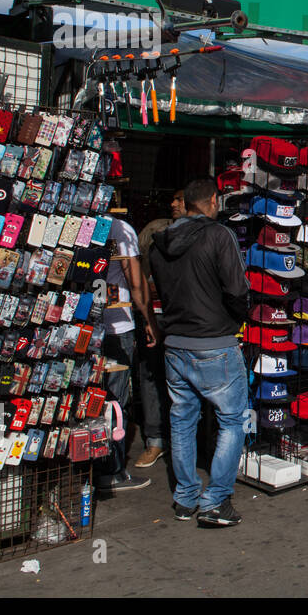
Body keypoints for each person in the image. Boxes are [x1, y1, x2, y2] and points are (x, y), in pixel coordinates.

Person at [148, 178, 251, 526]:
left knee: (182, 422)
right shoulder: (219, 235)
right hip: (215, 344)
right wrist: (235, 318)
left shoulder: (159, 242)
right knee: (232, 421)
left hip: (176, 343)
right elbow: (238, 290)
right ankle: (215, 500)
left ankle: (185, 498)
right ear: (211, 202)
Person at [95, 207, 159, 492]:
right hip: (116, 327)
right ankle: (112, 471)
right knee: (115, 401)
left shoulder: (83, 223)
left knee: (93, 400)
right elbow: (135, 282)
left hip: (86, 326)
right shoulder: (120, 229)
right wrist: (148, 319)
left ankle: (93, 467)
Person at [133, 189, 184, 468]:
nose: (173, 203)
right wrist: (147, 315)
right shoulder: (155, 231)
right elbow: (140, 275)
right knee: (151, 375)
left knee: (181, 379)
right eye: (173, 199)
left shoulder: (200, 235)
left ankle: (182, 439)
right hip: (156, 314)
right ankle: (155, 440)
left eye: (180, 199)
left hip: (182, 319)